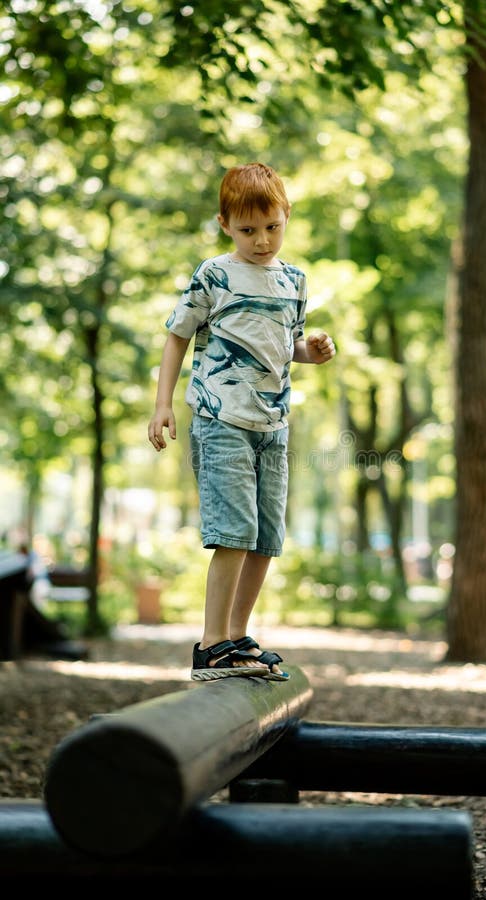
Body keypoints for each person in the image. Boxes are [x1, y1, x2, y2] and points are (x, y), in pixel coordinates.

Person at [148, 162, 336, 682]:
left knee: (265, 537)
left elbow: (282, 346)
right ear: (225, 223)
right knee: (234, 532)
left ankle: (234, 635)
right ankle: (211, 645)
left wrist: (312, 352)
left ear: (286, 217)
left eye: (272, 227)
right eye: (248, 230)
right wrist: (162, 404)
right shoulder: (214, 274)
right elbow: (177, 336)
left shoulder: (294, 280)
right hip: (220, 416)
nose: (262, 240)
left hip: (272, 424)